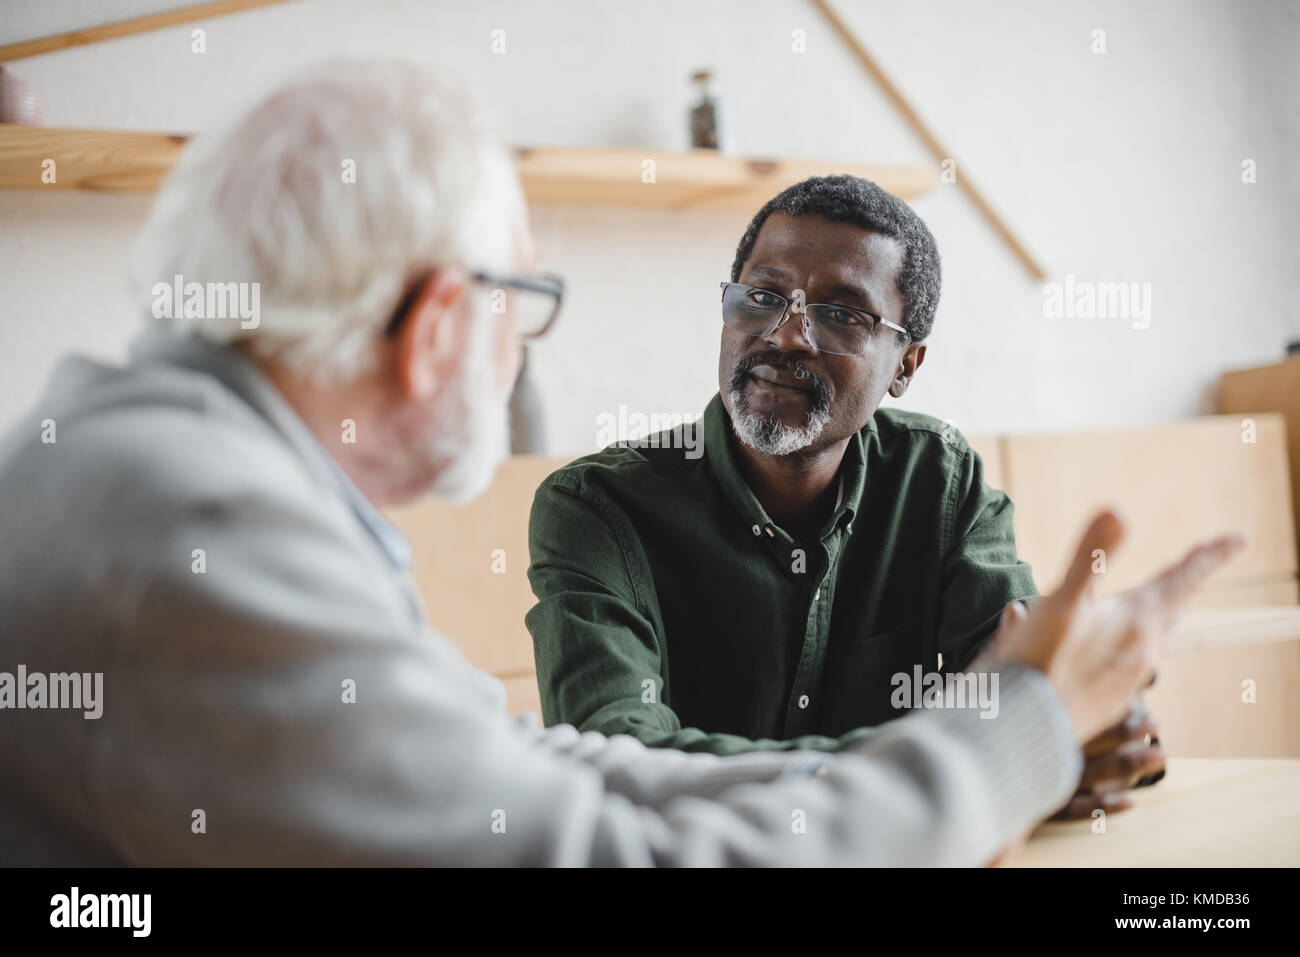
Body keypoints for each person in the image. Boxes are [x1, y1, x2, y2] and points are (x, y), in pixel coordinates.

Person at [0, 60, 1240, 866]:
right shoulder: (196, 531)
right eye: (523, 296)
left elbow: (522, 763)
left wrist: (1020, 725)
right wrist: (1015, 736)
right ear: (440, 325)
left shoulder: (156, 473)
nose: (786, 332)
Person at [527, 176, 1164, 818]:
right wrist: (958, 765)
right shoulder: (597, 507)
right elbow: (615, 759)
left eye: (841, 315)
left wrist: (1090, 715)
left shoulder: (940, 481)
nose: (786, 335)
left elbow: (1021, 690)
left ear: (905, 366)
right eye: (763, 296)